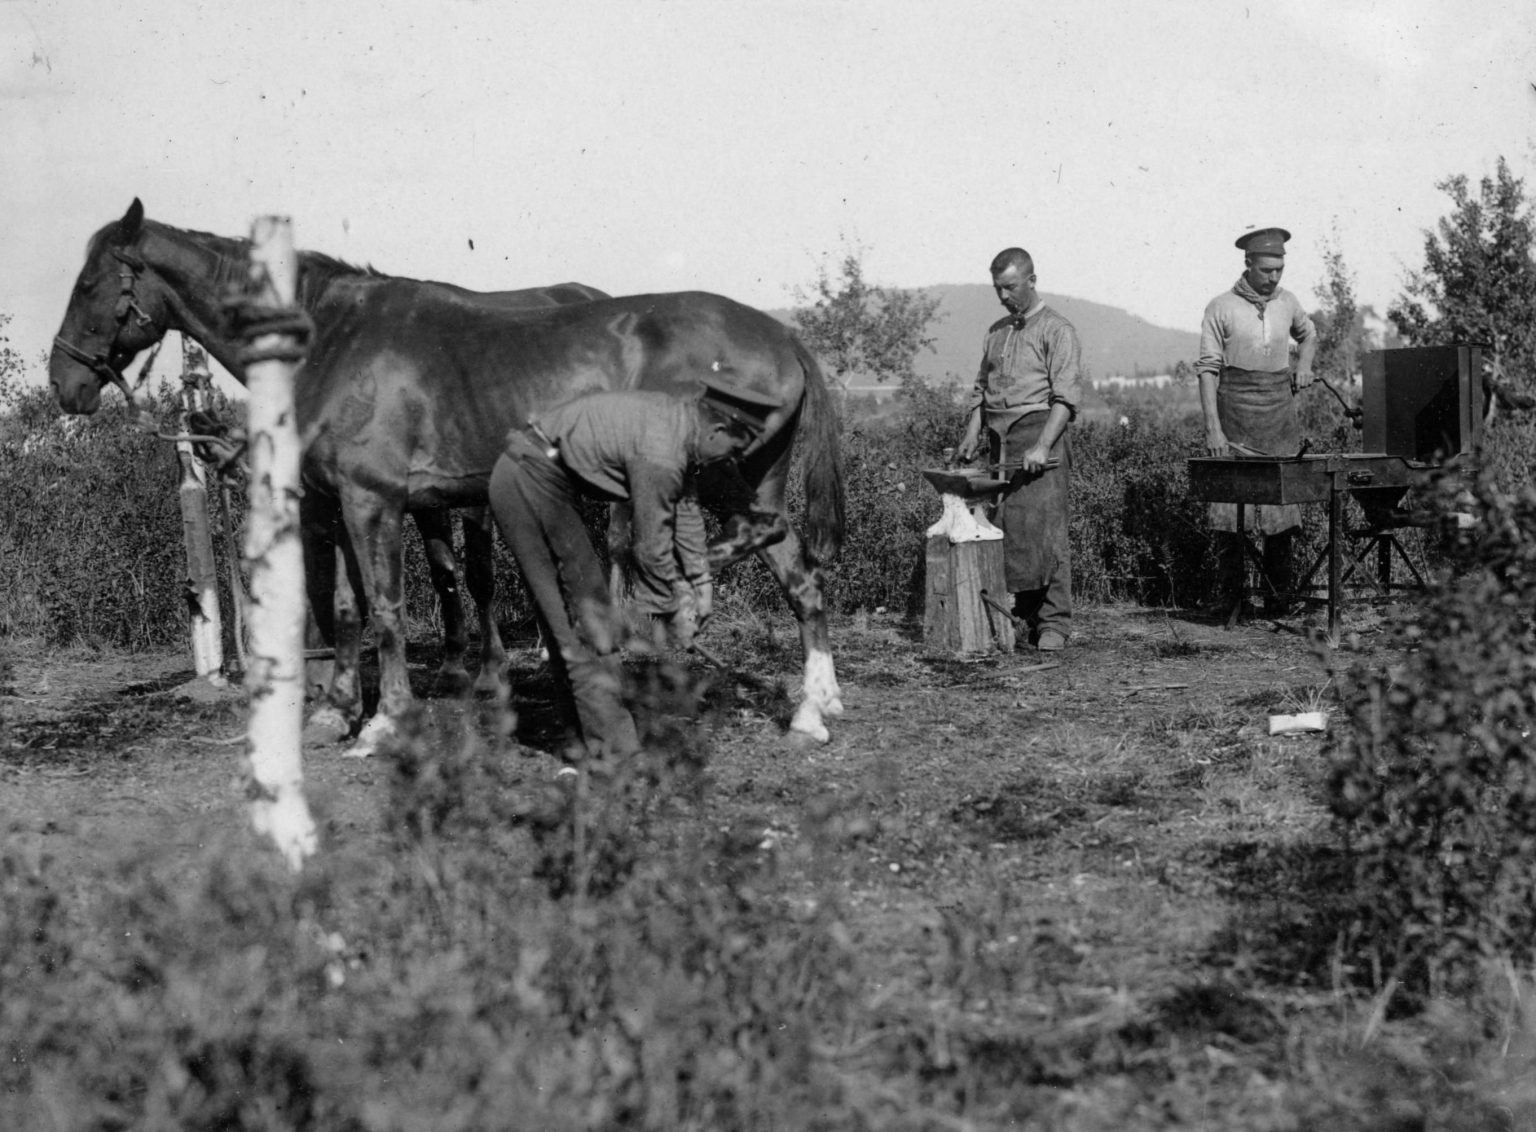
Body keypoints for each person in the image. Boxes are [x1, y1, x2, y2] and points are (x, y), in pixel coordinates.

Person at [488, 377, 779, 759]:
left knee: (576, 624)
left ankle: (589, 744)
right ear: (717, 430)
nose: (732, 461)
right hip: (530, 482)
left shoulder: (679, 424)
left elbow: (684, 506)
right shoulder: (662, 452)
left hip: (536, 475)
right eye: (735, 450)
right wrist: (672, 613)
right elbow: (651, 545)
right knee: (589, 622)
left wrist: (701, 583)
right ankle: (616, 754)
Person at [956, 247, 1083, 652]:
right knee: (1010, 531)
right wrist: (972, 434)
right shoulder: (996, 332)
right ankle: (1024, 618)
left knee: (1047, 531)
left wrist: (1042, 445)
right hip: (1000, 441)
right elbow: (982, 391)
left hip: (1039, 435)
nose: (1003, 296)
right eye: (997, 288)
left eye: (1010, 287)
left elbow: (1065, 399)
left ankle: (1054, 624)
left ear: (1032, 280)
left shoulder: (1058, 330)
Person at [1197, 227, 1318, 615]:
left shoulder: (1288, 301)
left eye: (1279, 269)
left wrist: (1304, 366)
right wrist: (1213, 429)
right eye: (1266, 270)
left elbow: (1309, 334)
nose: (1274, 277)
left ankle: (1278, 600)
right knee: (1230, 509)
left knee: (1281, 508)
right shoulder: (1221, 307)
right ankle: (1232, 600)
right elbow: (1207, 370)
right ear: (1248, 264)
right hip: (1234, 418)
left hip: (1279, 416)